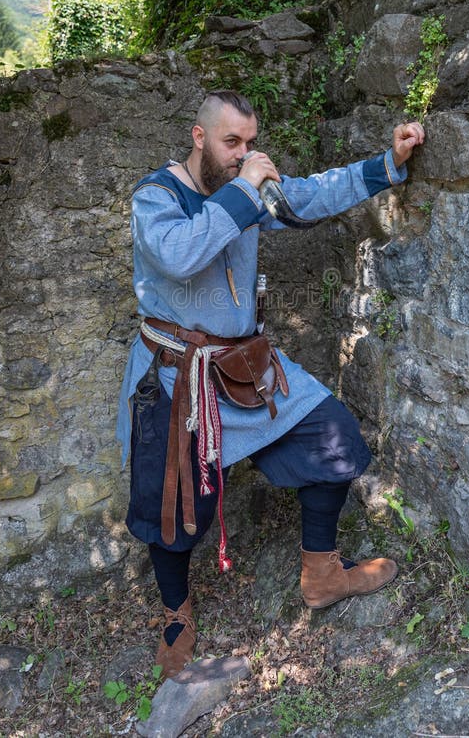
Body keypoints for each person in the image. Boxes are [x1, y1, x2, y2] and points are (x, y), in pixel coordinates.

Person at [116, 89, 425, 679]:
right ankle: (176, 613)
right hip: (176, 376)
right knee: (170, 505)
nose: (243, 153)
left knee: (333, 436)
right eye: (231, 141)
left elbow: (310, 195)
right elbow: (179, 255)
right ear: (199, 137)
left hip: (245, 365)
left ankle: (322, 574)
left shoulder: (249, 190)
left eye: (250, 143)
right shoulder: (156, 196)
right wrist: (243, 188)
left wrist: (389, 163)